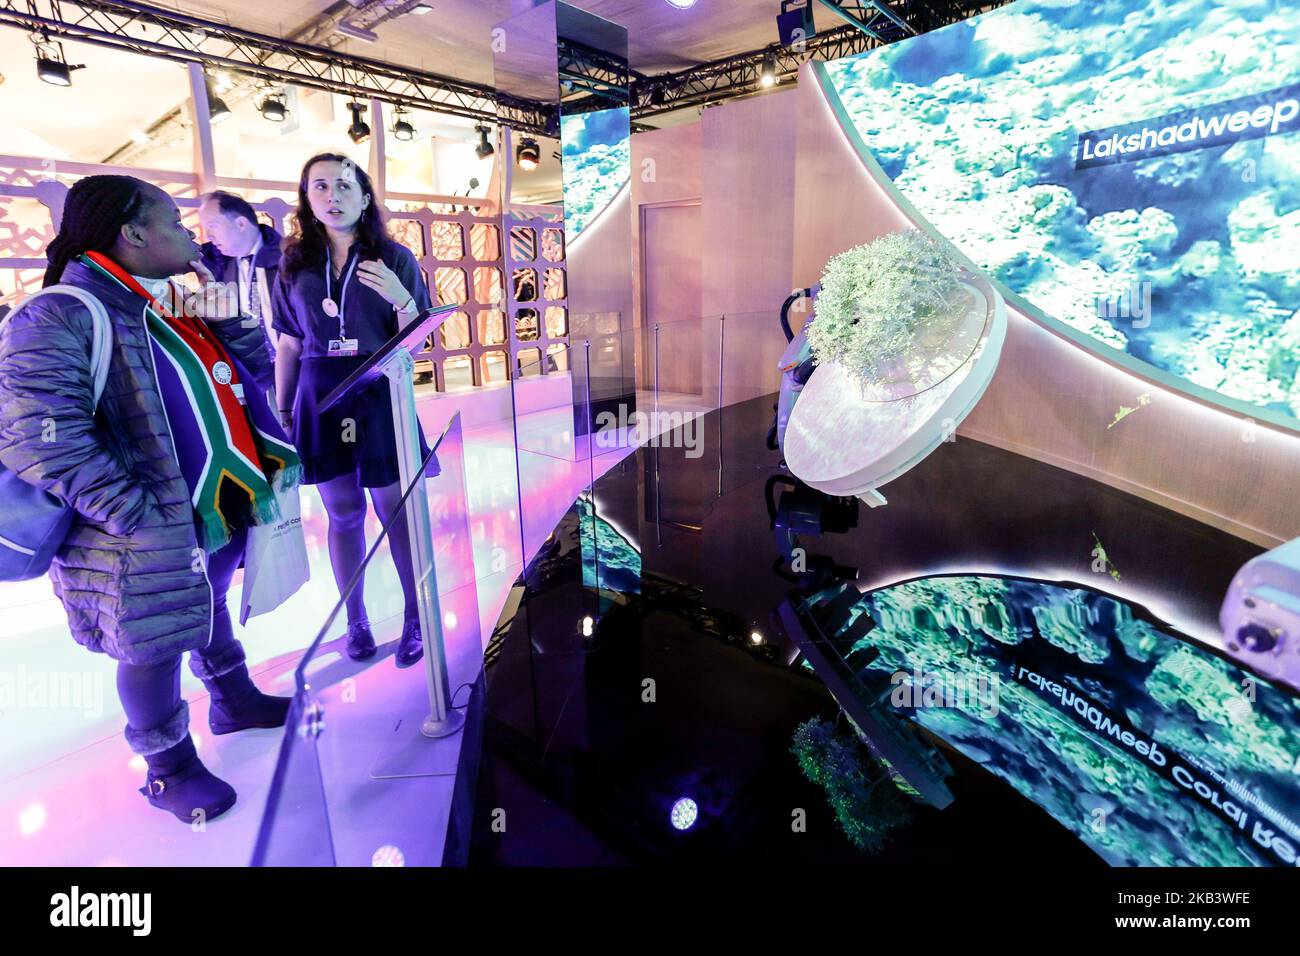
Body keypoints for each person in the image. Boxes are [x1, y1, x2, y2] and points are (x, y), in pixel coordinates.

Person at [0, 175, 297, 824]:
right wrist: (135, 515)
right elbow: (40, 440)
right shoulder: (60, 313)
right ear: (132, 234)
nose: (190, 231)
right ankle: (169, 769)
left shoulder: (164, 303)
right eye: (173, 220)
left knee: (203, 602)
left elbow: (246, 371)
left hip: (206, 511)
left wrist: (223, 310)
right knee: (152, 647)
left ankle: (232, 698)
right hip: (137, 533)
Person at [272, 153, 433, 667]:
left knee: (396, 513)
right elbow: (290, 344)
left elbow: (418, 342)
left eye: (344, 185)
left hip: (380, 386)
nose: (332, 195)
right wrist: (284, 407)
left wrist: (404, 303)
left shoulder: (394, 258)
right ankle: (355, 619)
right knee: (342, 514)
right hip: (318, 391)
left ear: (364, 197)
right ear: (308, 201)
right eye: (319, 187)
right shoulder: (294, 264)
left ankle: (414, 616)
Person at [197, 190, 283, 352]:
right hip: (253, 366)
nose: (209, 235)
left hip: (295, 364)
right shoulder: (218, 265)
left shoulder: (288, 259)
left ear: (241, 223)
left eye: (212, 226)